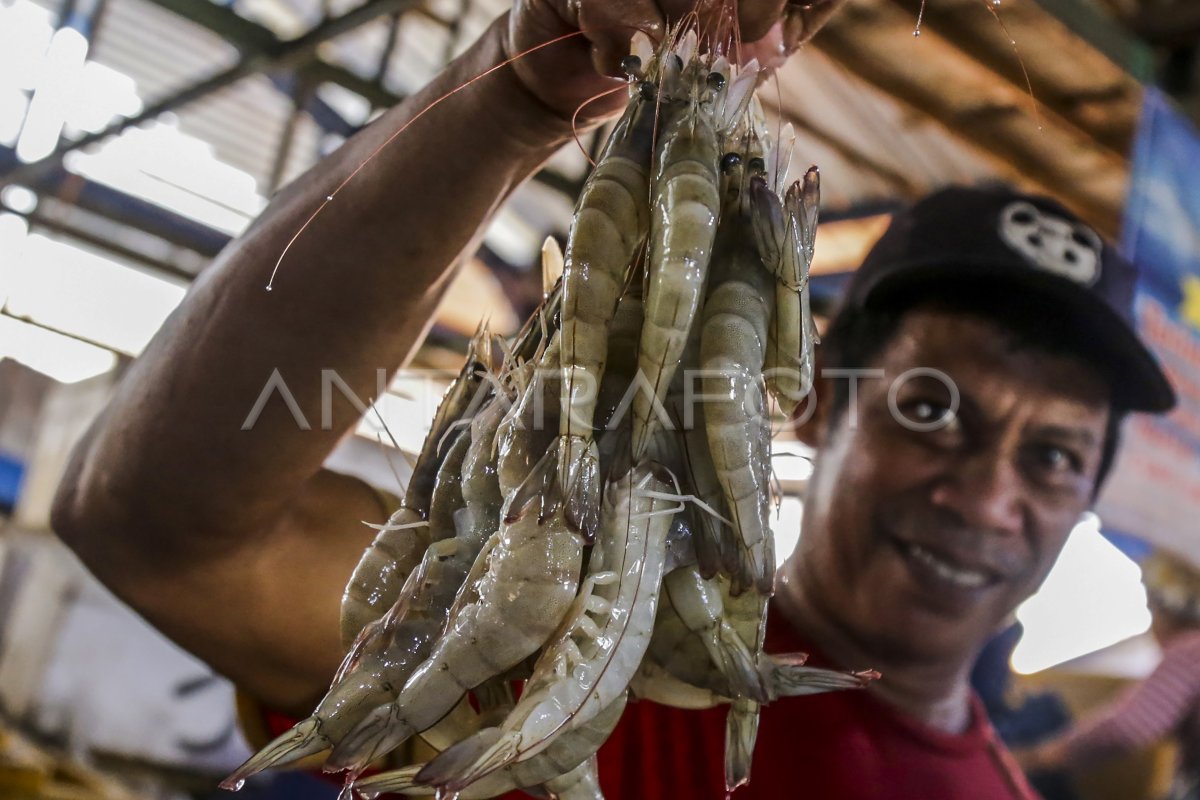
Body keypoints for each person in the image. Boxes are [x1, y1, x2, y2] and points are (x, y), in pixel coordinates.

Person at [48, 1, 1176, 797]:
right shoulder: (567, 624)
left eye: (1053, 455)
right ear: (817, 404)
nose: (985, 495)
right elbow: (156, 535)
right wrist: (516, 91)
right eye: (931, 410)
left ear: (1087, 497)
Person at [1017, 551, 1200, 800]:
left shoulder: (1191, 650)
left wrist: (1037, 757)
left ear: (1167, 611)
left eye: (1151, 611)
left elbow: (1125, 729)